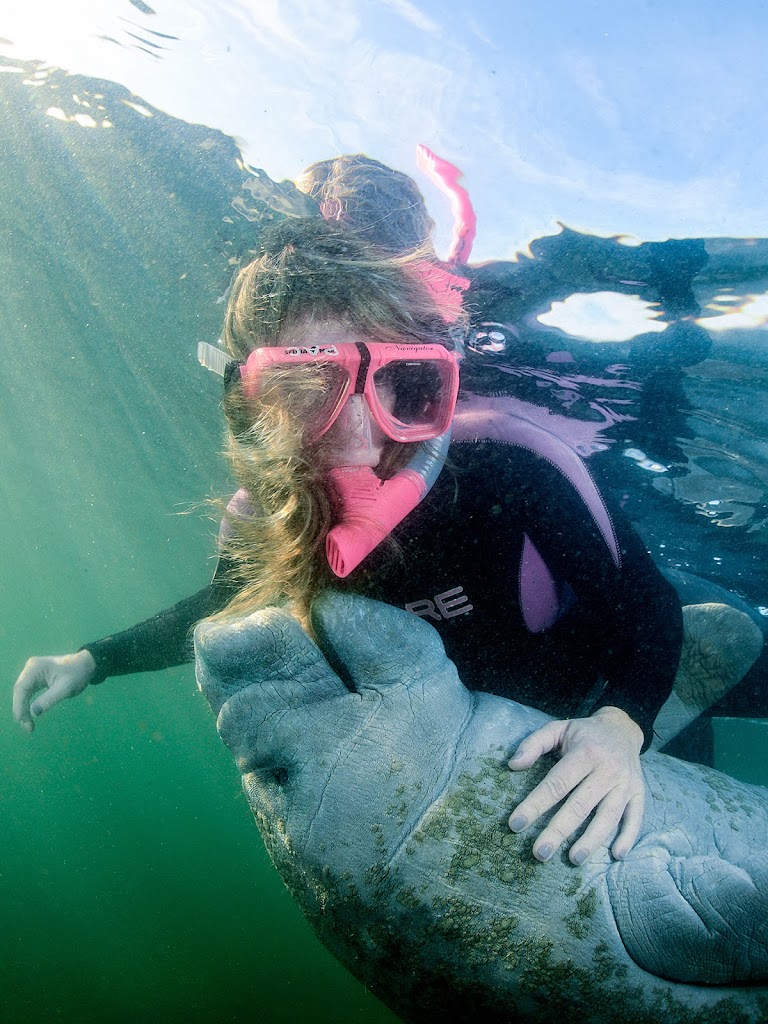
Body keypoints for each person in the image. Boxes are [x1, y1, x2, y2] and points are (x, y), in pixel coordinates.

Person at [15, 216, 685, 868]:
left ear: (429, 373)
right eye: (310, 388)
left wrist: (622, 726)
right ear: (257, 402)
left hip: (594, 703)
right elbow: (219, 610)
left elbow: (646, 605)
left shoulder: (512, 465)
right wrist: (92, 659)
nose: (358, 432)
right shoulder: (269, 518)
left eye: (398, 381)